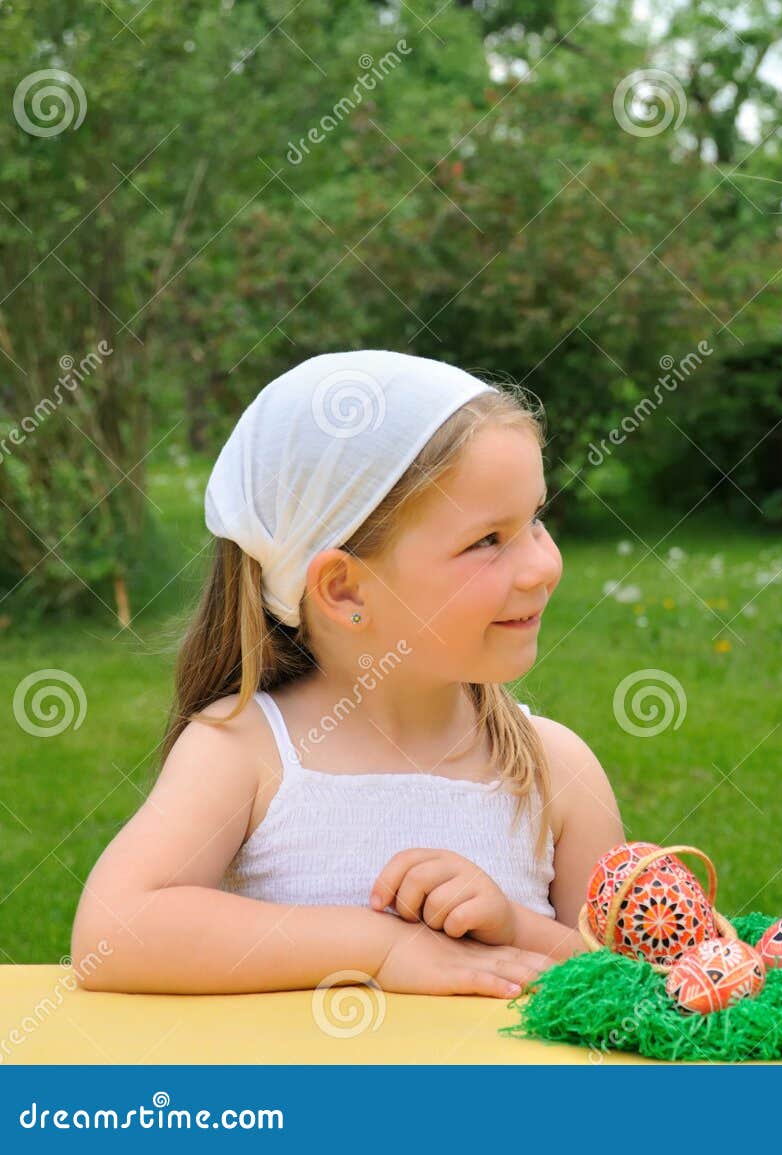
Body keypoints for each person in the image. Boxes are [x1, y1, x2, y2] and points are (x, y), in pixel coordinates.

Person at [71, 350, 623, 996]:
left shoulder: (555, 769)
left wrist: (514, 924)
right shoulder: (245, 752)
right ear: (344, 591)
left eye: (534, 520)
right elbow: (111, 932)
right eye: (487, 541)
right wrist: (383, 945)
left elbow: (632, 977)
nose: (541, 566)